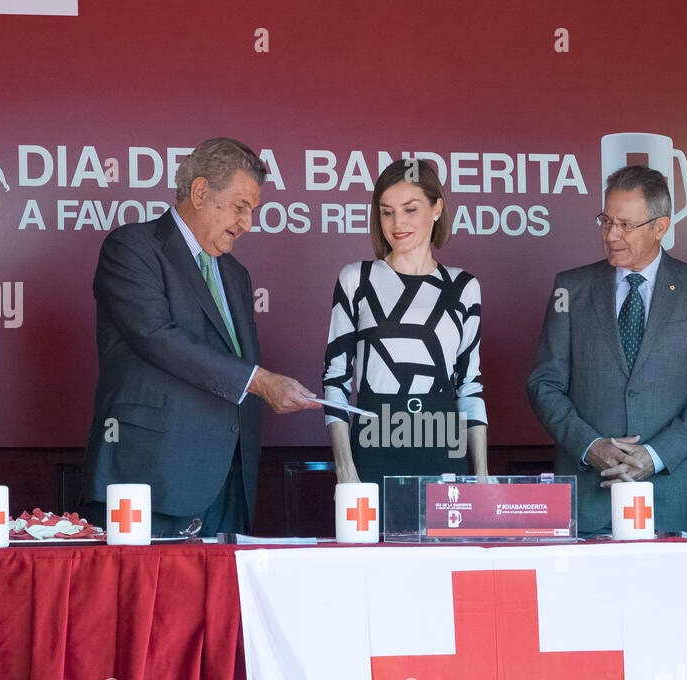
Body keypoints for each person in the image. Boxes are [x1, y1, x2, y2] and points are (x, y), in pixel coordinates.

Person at [81, 137, 318, 536]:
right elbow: (156, 336)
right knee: (145, 598)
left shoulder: (236, 274)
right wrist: (260, 381)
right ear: (200, 191)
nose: (248, 223)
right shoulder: (133, 248)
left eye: (253, 211)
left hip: (229, 480)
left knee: (219, 600)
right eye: (241, 207)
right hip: (150, 477)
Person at [527, 164, 687, 534]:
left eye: (625, 225)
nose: (611, 235)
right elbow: (544, 384)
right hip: (586, 500)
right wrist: (590, 446)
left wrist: (654, 456)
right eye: (606, 221)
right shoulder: (570, 288)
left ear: (661, 227)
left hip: (669, 499)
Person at [323, 159, 487, 491]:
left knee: (445, 543)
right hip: (372, 451)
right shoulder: (357, 279)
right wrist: (345, 469)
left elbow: (470, 386)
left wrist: (481, 475)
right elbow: (335, 379)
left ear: (436, 208)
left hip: (444, 449)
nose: (398, 222)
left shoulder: (464, 286)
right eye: (387, 212)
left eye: (410, 209)